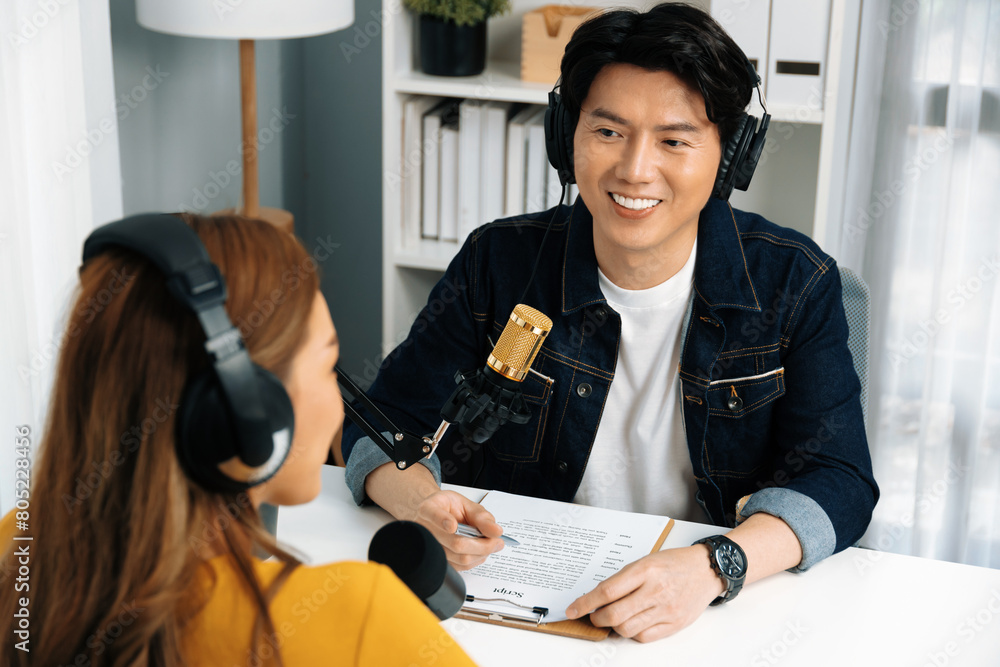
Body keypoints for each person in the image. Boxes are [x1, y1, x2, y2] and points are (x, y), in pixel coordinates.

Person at [341, 1, 879, 643]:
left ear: (732, 157)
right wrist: (418, 503)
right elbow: (381, 422)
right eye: (608, 132)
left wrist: (716, 568)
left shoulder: (796, 283)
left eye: (674, 140)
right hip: (517, 608)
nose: (634, 170)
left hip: (708, 616)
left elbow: (840, 479)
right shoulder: (500, 262)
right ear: (566, 136)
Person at [0, 214, 475, 666]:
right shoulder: (357, 618)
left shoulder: (18, 547)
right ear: (250, 411)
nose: (337, 401)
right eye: (327, 367)